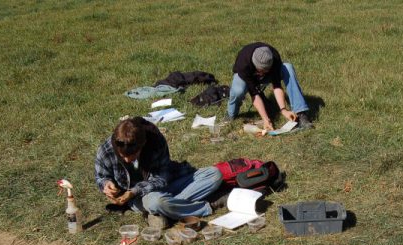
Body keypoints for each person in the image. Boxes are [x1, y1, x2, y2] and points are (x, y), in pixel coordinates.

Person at [94, 117, 222, 227]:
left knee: (215, 174)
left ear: (142, 145)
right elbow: (101, 176)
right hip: (142, 197)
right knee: (157, 202)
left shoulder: (156, 141)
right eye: (123, 156)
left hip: (164, 184)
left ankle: (165, 211)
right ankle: (207, 206)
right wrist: (106, 184)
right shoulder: (106, 150)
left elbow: (162, 178)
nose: (127, 160)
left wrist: (134, 191)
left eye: (132, 155)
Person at [227, 42, 313, 131]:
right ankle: (230, 114)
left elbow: (277, 86)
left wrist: (283, 110)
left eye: (266, 70)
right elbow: (254, 94)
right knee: (238, 91)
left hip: (265, 74)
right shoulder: (243, 63)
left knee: (288, 68)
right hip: (244, 76)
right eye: (260, 70)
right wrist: (266, 119)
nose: (262, 73)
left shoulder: (274, 57)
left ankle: (301, 113)